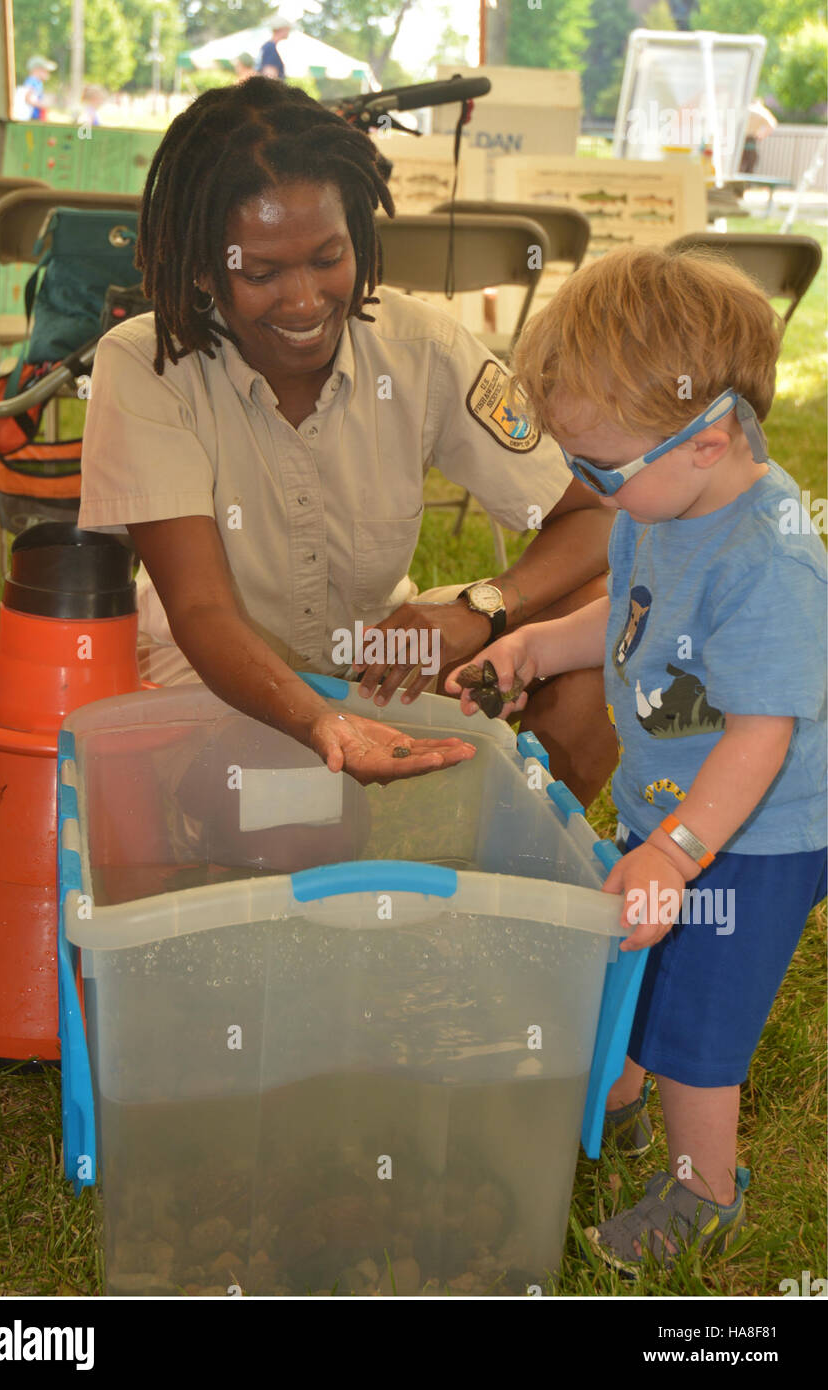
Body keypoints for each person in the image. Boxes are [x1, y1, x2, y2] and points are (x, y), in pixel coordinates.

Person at [445, 244, 827, 1275]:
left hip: (752, 833)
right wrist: (532, 642)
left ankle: (706, 1190)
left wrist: (677, 852)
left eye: (598, 466)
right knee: (620, 951)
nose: (583, 484)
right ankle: (606, 1097)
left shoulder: (771, 561)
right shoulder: (657, 508)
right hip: (669, 809)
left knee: (701, 1023)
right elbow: (627, 611)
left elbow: (762, 733)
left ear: (709, 441)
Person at [78, 78, 615, 795]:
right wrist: (321, 727)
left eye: (328, 258)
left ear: (360, 234)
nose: (304, 301)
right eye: (262, 272)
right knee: (292, 835)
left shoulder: (422, 346)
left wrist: (479, 607)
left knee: (601, 613)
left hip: (383, 665)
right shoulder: (145, 365)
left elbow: (594, 516)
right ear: (205, 267)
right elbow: (202, 610)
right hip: (212, 680)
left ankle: (531, 869)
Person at [14, 54, 56, 121]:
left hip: (36, 117)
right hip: (30, 117)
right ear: (37, 70)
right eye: (46, 71)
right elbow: (27, 99)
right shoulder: (32, 81)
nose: (48, 74)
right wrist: (42, 105)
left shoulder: (38, 83)